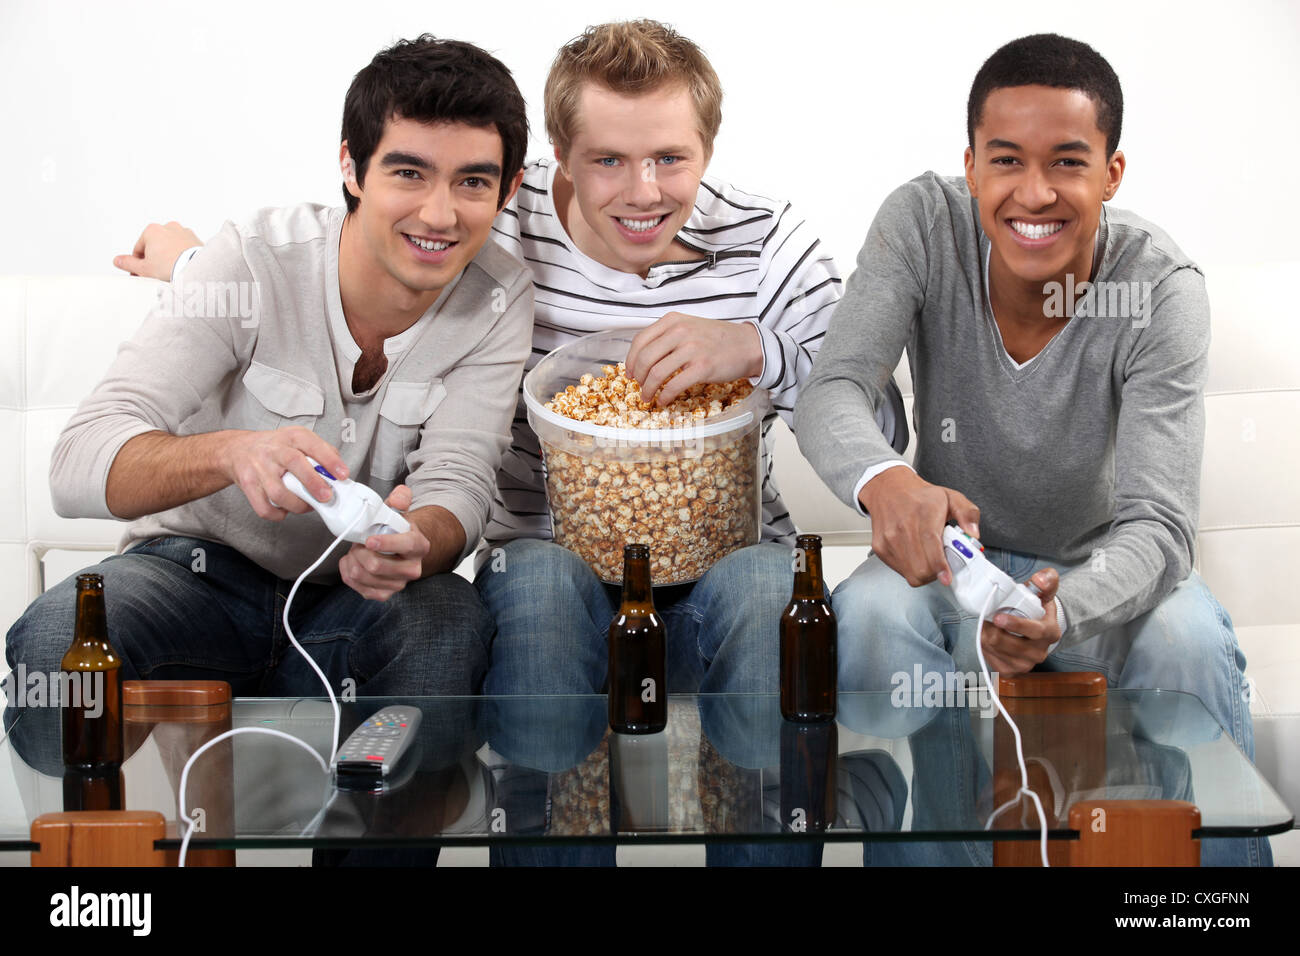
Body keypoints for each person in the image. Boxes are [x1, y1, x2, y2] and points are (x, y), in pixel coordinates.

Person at [115, 20, 906, 867]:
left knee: (765, 592)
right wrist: (200, 267)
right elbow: (355, 242)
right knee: (529, 589)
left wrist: (759, 349)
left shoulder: (768, 245)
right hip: (542, 551)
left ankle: (783, 815)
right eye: (606, 160)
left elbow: (876, 417)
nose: (641, 191)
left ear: (708, 148)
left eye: (670, 159)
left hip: (731, 556)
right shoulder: (492, 222)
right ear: (555, 157)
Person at [795, 33, 1268, 866]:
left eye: (1069, 163)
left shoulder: (1159, 288)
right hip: (954, 565)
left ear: (1112, 174)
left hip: (1095, 570)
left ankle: (1206, 885)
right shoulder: (922, 224)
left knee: (1187, 646)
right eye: (1006, 161)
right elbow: (833, 389)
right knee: (868, 623)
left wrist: (1063, 609)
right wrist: (889, 480)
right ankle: (926, 845)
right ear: (971, 165)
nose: (1034, 193)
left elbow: (1159, 526)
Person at [6, 35, 533, 767]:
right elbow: (76, 463)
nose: (440, 214)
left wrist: (418, 541)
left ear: (507, 192)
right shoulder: (249, 261)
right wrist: (233, 453)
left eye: (473, 183)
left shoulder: (500, 298)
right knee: (57, 653)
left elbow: (460, 481)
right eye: (408, 173)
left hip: (356, 603)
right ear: (351, 167)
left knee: (445, 620)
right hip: (192, 577)